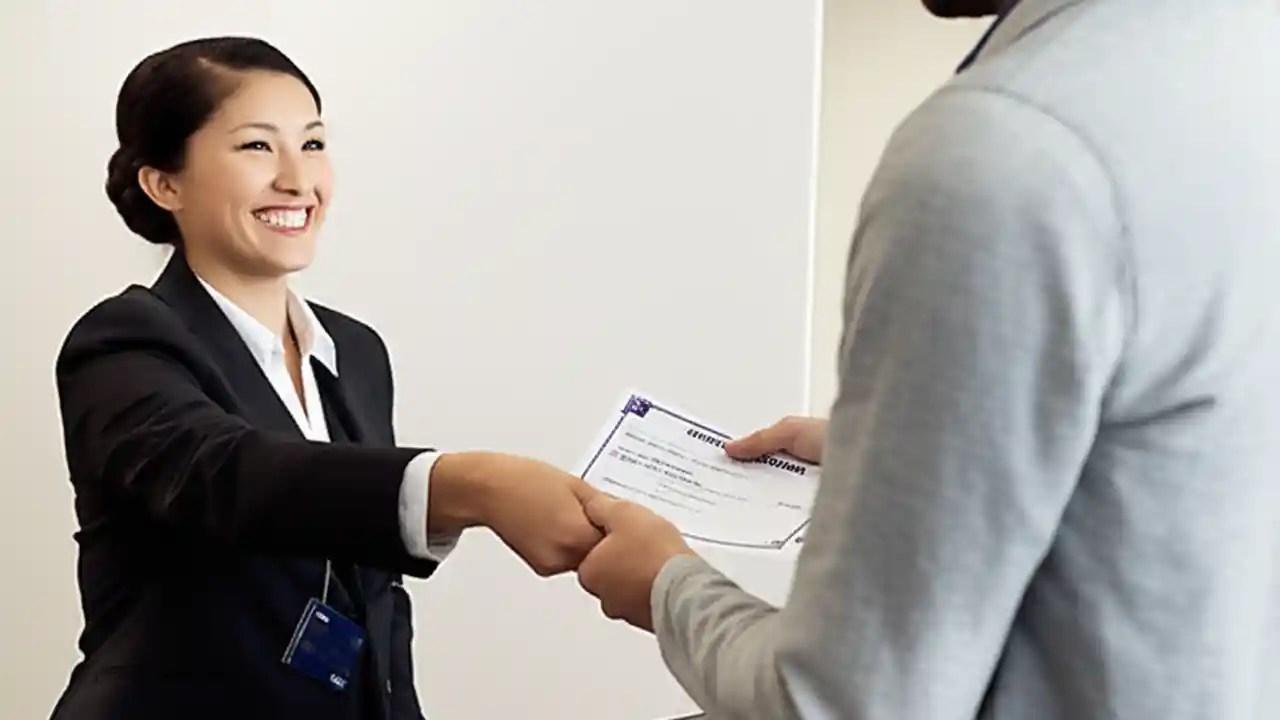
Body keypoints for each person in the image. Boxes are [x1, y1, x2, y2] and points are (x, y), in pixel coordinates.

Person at [576, 0, 1280, 717]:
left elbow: (843, 703)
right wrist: (929, 446)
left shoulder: (1005, 156)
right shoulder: (1237, 58)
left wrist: (667, 587)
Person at [51, 36, 603, 720]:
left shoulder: (356, 352)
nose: (297, 179)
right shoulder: (122, 344)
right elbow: (232, 478)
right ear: (166, 184)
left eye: (312, 144)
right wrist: (474, 486)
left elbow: (373, 603)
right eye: (257, 147)